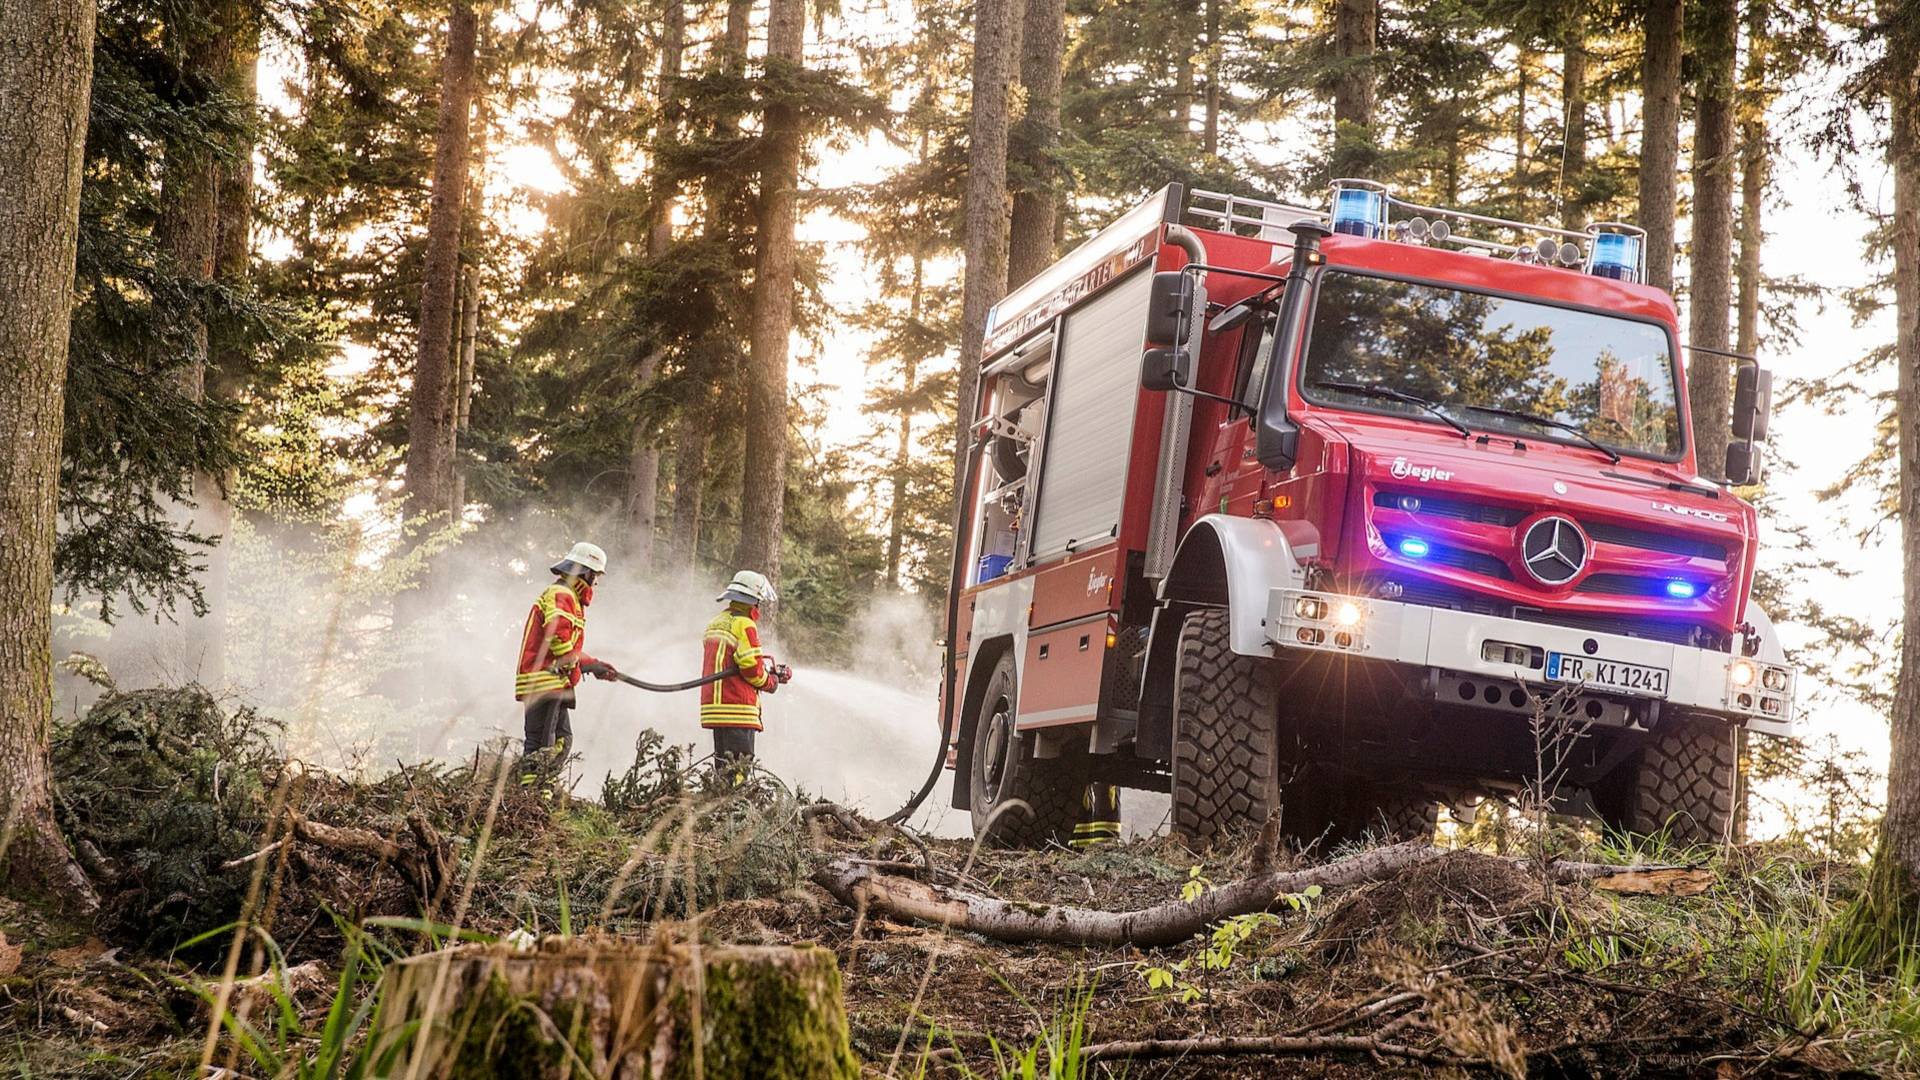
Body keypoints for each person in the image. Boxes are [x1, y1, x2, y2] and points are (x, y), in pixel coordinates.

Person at [514, 542, 620, 777]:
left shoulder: (566, 595)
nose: (597, 582)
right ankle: (532, 796)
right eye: (596, 575)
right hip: (545, 681)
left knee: (561, 741)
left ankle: (543, 792)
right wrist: (572, 665)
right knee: (543, 746)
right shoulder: (562, 594)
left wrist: (594, 665)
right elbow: (558, 637)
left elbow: (566, 646)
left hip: (548, 680)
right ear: (586, 572)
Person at [699, 570, 793, 781]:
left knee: (723, 767)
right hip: (738, 708)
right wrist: (770, 682)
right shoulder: (745, 625)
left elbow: (732, 662)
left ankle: (718, 805)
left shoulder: (716, 623)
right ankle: (736, 808)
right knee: (739, 769)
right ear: (753, 601)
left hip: (715, 709)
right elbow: (750, 668)